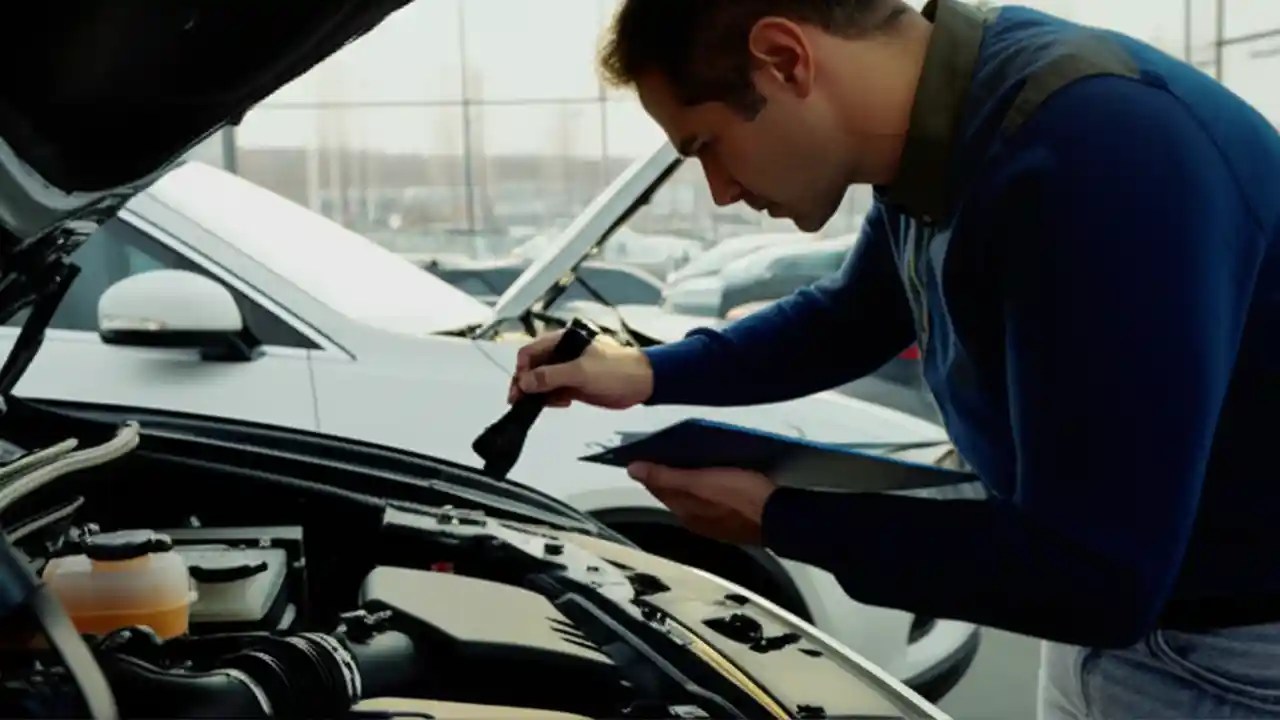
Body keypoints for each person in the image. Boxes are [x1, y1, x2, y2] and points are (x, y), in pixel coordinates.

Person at [510, 0, 1280, 717]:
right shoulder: (942, 128)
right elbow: (855, 314)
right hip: (1125, 621)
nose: (719, 191)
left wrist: (780, 518)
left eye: (706, 145)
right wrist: (645, 373)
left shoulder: (1103, 152)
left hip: (1232, 661)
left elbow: (1098, 578)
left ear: (785, 59)